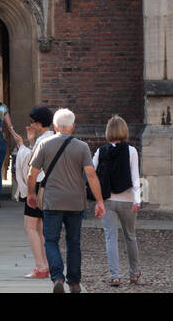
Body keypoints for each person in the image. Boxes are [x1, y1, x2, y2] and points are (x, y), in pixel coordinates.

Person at [27, 108, 105, 293]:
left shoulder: (44, 144)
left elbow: (32, 173)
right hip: (76, 202)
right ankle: (75, 282)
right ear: (73, 127)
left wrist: (31, 193)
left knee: (52, 240)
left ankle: (57, 278)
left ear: (55, 126)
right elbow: (91, 175)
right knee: (73, 242)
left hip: (52, 201)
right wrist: (100, 201)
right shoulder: (82, 147)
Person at [92, 114, 142, 287]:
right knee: (130, 236)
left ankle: (115, 276)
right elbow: (135, 177)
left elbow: (93, 176)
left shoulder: (100, 151)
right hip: (128, 199)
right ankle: (134, 273)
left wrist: (98, 201)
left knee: (110, 238)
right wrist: (138, 200)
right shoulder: (131, 151)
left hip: (107, 200)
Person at [13, 105, 54, 279]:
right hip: (50, 186)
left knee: (30, 227)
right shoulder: (53, 137)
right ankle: (48, 264)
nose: (31, 125)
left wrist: (21, 145)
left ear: (38, 123)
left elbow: (31, 164)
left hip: (37, 186)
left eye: (33, 122)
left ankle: (40, 266)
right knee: (42, 228)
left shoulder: (42, 141)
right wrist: (30, 142)